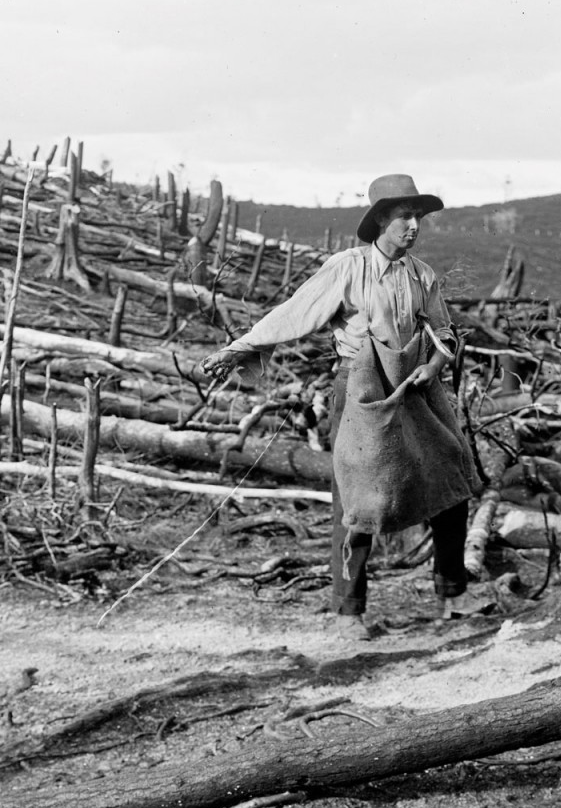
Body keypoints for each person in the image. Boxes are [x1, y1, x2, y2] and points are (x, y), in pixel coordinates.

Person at [202, 174, 486, 641]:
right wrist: (239, 347)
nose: (413, 226)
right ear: (379, 221)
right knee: (356, 501)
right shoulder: (348, 268)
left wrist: (434, 365)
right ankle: (349, 611)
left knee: (450, 479)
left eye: (417, 217)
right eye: (402, 217)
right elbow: (295, 312)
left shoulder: (422, 274)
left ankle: (453, 594)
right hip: (362, 391)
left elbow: (445, 332)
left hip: (415, 390)